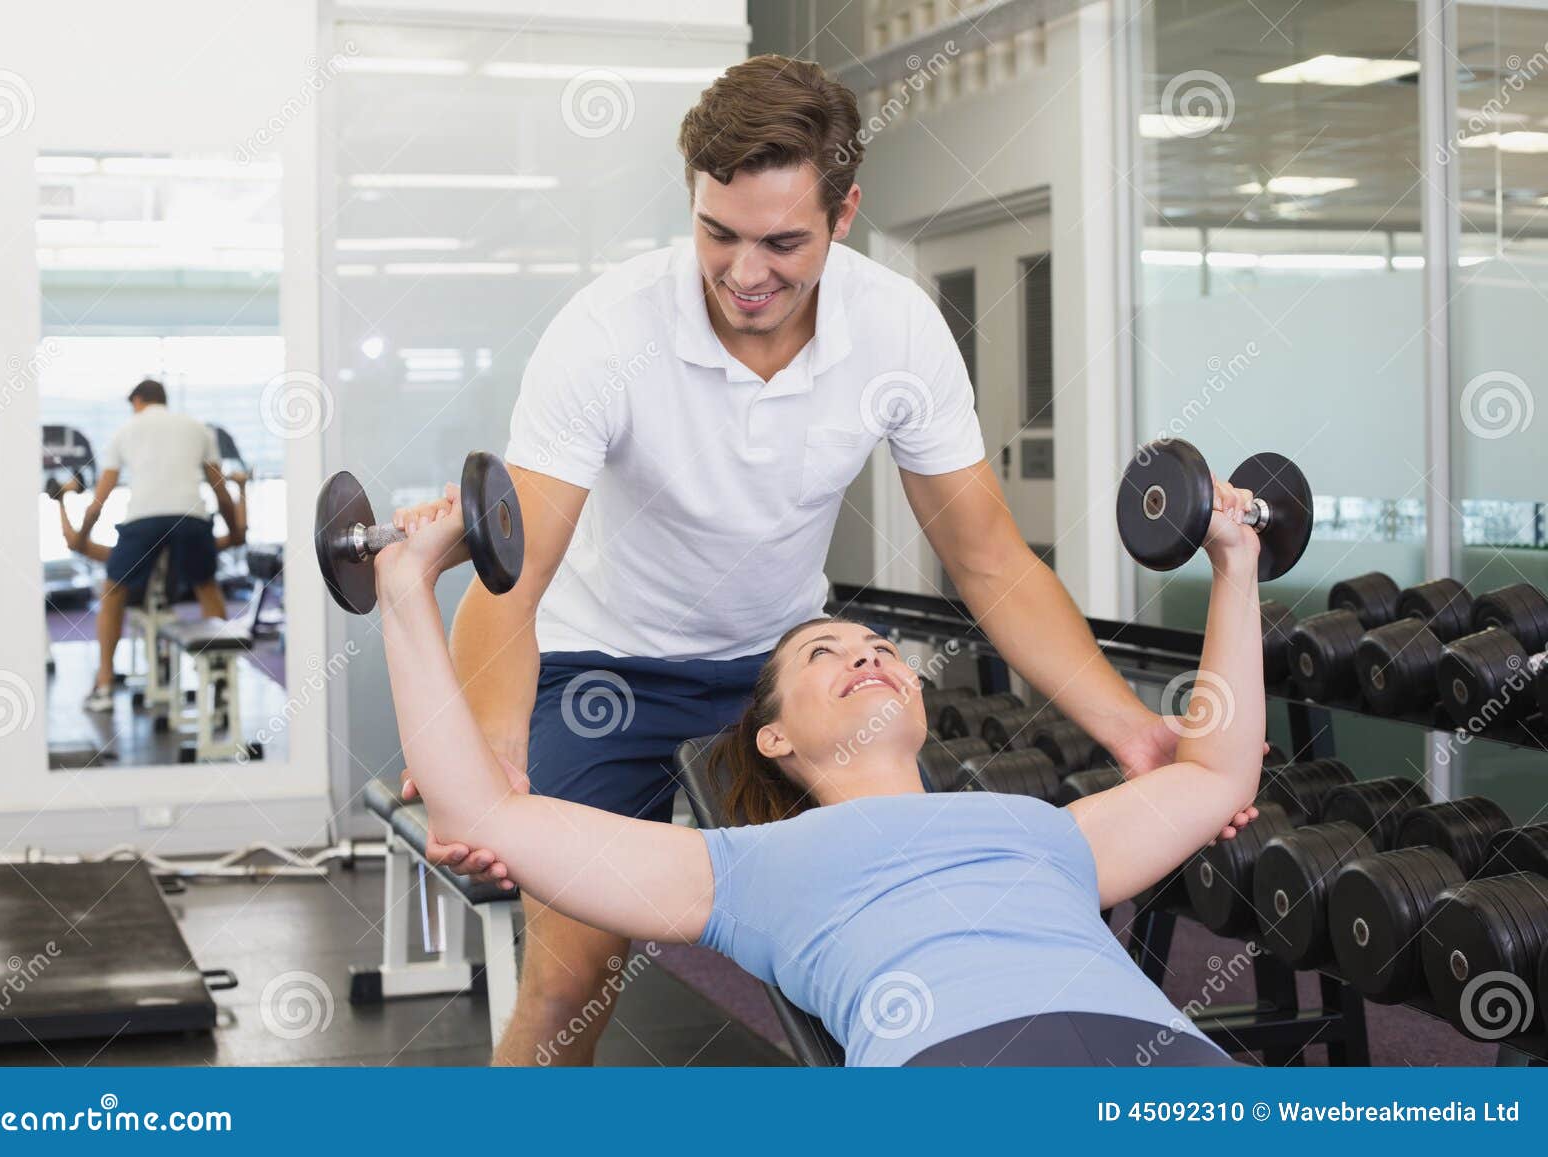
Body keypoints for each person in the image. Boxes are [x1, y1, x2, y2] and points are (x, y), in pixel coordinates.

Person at [395, 54, 1249, 1066]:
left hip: (775, 669)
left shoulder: (896, 328)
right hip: (605, 666)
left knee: (879, 920)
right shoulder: (606, 331)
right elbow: (515, 573)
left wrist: (1131, 729)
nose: (743, 272)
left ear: (844, 213)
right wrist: (493, 748)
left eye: (781, 242)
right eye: (718, 233)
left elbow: (988, 558)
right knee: (571, 977)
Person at [375, 473, 1267, 1067]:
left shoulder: (1049, 828)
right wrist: (404, 588)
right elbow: (479, 813)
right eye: (823, 653)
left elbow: (1218, 774)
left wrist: (1236, 562)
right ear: (773, 738)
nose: (866, 653)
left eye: (878, 646)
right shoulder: (749, 869)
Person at [77, 379, 240, 713]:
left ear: (138, 401)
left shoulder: (125, 431)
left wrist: (81, 536)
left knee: (113, 592)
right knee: (206, 586)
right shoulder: (198, 428)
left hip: (143, 519)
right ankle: (222, 682)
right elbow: (221, 492)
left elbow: (100, 500)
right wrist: (236, 531)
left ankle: (104, 685)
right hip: (190, 517)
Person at [50, 469, 248, 562]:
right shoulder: (133, 554)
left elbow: (74, 543)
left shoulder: (132, 555)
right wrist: (241, 487)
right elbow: (239, 535)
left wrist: (60, 501)